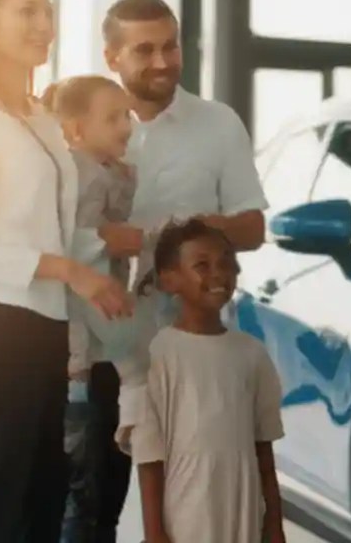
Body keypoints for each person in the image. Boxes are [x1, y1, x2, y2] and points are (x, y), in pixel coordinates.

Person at [0, 0, 131, 543]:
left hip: (46, 334)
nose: (43, 24)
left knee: (42, 512)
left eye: (47, 10)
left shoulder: (40, 119)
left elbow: (59, 223)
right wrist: (71, 270)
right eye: (26, 11)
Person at [75, 0, 269, 538]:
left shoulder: (218, 124)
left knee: (193, 511)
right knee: (92, 509)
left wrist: (193, 228)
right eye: (144, 50)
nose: (162, 61)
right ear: (112, 57)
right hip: (100, 349)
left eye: (171, 46)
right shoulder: (80, 122)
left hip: (188, 353)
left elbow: (253, 228)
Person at [42, 75, 157, 543]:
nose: (126, 125)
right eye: (112, 118)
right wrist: (131, 237)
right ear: (74, 130)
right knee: (90, 496)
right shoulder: (79, 173)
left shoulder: (102, 170)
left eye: (126, 114)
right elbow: (78, 241)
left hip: (96, 359)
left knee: (99, 492)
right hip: (83, 362)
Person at [131, 219, 286, 543]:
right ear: (169, 279)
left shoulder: (252, 355)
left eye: (226, 263)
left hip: (240, 517)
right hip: (185, 519)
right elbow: (149, 458)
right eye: (202, 264)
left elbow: (264, 453)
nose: (219, 273)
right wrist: (154, 534)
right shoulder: (157, 355)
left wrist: (274, 528)